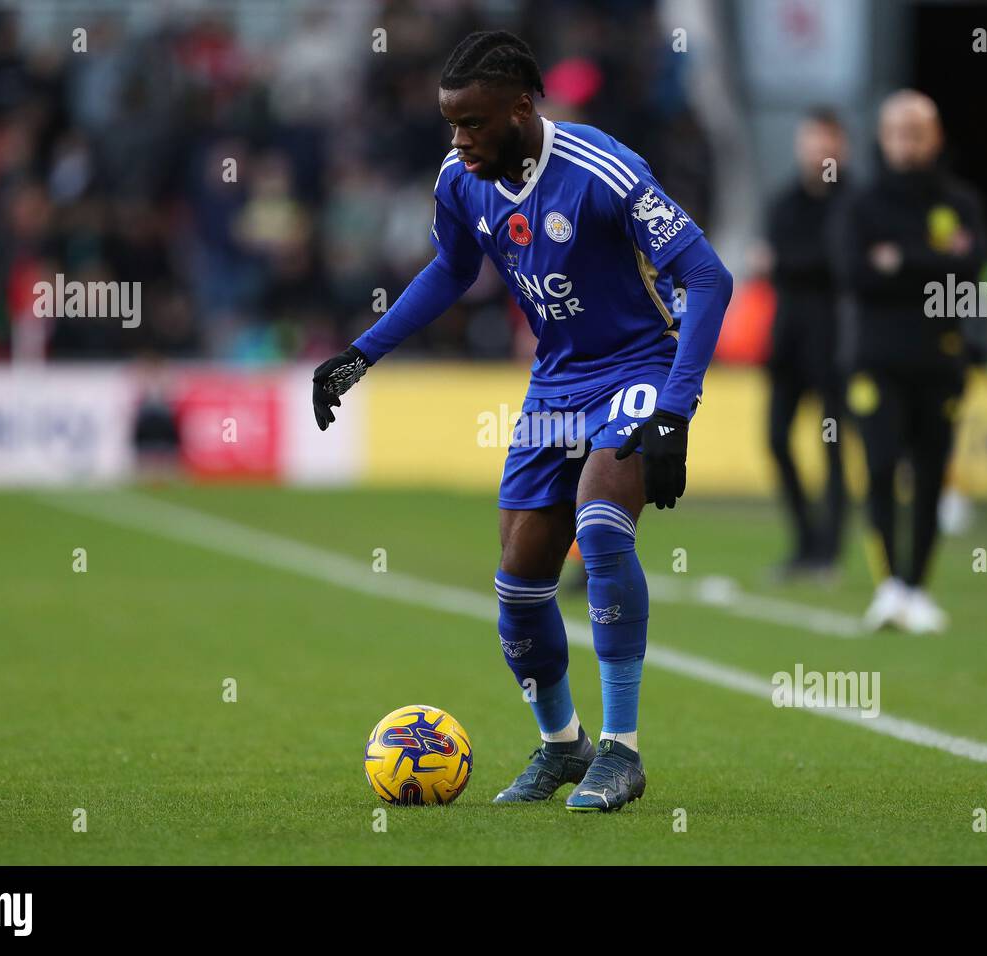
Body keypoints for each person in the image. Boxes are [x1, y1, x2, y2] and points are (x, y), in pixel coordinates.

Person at [312, 31, 732, 811]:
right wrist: (362, 354)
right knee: (519, 581)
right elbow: (451, 269)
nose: (459, 140)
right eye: (451, 124)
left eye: (472, 123)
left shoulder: (603, 169)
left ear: (520, 108)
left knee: (601, 525)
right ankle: (562, 745)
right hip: (556, 382)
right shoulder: (460, 178)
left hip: (640, 363)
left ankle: (622, 751)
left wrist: (674, 412)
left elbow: (708, 276)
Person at [830, 90, 987, 634]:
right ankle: (890, 585)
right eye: (898, 131)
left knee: (929, 478)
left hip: (941, 361)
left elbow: (970, 270)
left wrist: (900, 260)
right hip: (877, 360)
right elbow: (855, 274)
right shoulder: (861, 203)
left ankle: (917, 588)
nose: (908, 141)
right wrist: (933, 262)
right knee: (878, 468)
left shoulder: (960, 202)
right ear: (882, 137)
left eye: (918, 131)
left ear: (936, 137)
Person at [760, 108, 848, 580]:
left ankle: (828, 553)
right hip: (789, 345)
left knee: (833, 448)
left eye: (826, 142)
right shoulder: (784, 202)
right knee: (777, 439)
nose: (818, 151)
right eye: (811, 141)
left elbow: (836, 262)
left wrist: (786, 261)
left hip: (836, 348)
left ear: (841, 147)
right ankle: (806, 543)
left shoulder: (852, 203)